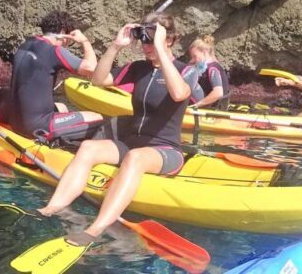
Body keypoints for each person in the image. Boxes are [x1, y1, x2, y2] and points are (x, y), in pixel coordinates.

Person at [37, 12, 198, 245]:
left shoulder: (186, 71)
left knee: (135, 157)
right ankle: (52, 208)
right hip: (132, 144)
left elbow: (179, 93)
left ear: (170, 39)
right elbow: (98, 80)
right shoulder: (138, 68)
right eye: (143, 39)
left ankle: (95, 229)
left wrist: (161, 49)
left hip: (166, 150)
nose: (146, 46)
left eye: (151, 39)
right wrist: (115, 46)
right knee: (89, 147)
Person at [5, 11, 101, 144]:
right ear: (63, 32)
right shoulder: (54, 51)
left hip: (15, 121)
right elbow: (92, 68)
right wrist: (84, 41)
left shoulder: (25, 44)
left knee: (62, 107)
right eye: (69, 41)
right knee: (97, 117)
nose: (67, 45)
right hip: (35, 126)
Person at [188, 35, 230, 110]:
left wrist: (198, 104)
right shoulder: (208, 65)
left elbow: (218, 93)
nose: (192, 60)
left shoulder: (213, 68)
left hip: (216, 107)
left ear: (204, 52)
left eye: (195, 56)